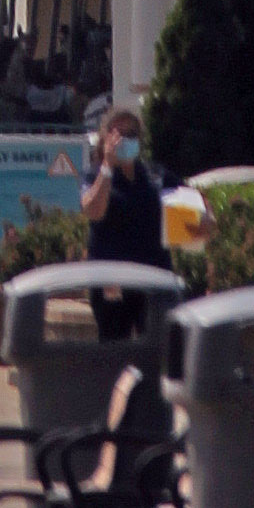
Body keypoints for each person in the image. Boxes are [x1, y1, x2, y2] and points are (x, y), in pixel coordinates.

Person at [85, 104, 166, 337]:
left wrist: (205, 216)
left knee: (152, 352)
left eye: (132, 135)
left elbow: (188, 200)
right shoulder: (95, 176)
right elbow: (93, 211)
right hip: (112, 283)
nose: (126, 141)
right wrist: (108, 167)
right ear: (106, 137)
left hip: (152, 279)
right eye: (120, 135)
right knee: (115, 349)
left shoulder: (154, 175)